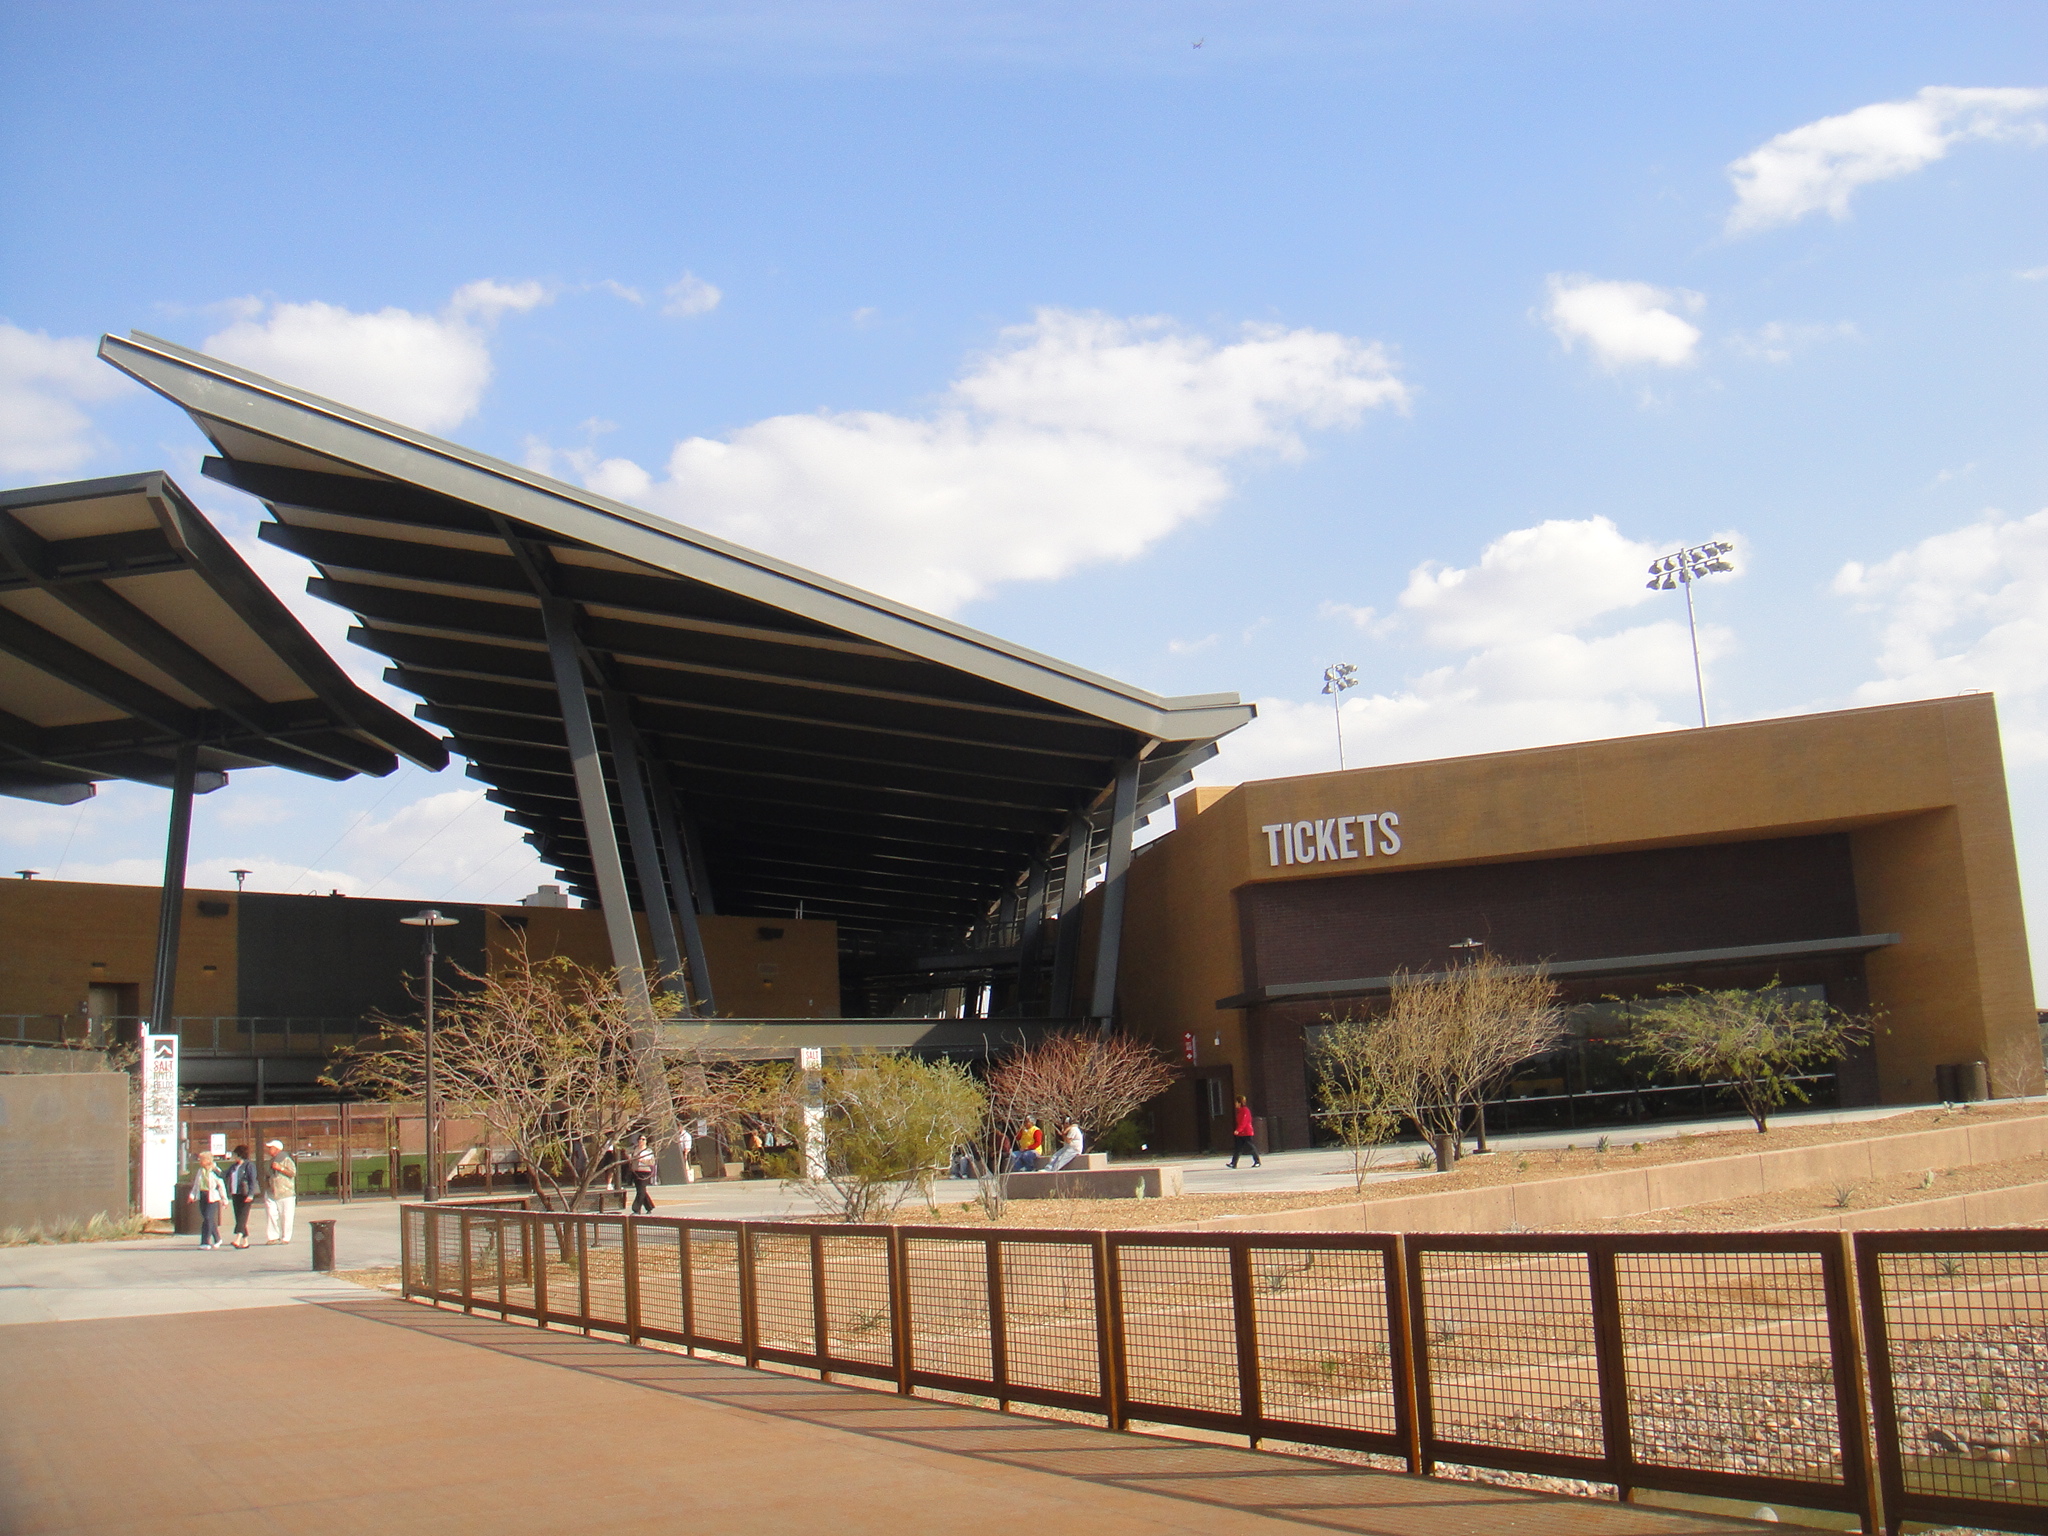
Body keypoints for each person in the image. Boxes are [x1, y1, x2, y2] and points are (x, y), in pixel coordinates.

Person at [186, 1151, 226, 1249]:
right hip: (203, 1196)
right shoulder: (200, 1171)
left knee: (208, 1218)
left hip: (212, 1197)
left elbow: (221, 1186)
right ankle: (217, 1238)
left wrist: (224, 1199)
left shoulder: (215, 1171)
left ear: (208, 1160)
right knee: (208, 1219)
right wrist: (192, 1195)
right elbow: (196, 1185)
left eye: (202, 1159)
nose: (200, 1161)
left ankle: (205, 1242)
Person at [262, 1138, 297, 1245]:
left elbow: (292, 1173)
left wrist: (280, 1168)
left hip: (285, 1192)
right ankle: (273, 1237)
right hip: (271, 1192)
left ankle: (286, 1237)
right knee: (271, 1214)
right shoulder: (270, 1161)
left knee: (286, 1215)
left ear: (277, 1149)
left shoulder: (286, 1159)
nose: (268, 1150)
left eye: (270, 1148)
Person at [225, 1144, 259, 1248]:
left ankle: (237, 1239)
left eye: (235, 1154)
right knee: (238, 1217)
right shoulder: (234, 1166)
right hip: (236, 1193)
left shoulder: (249, 1165)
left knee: (242, 1217)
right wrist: (214, 1168)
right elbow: (224, 1174)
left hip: (246, 1194)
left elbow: (252, 1180)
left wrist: (251, 1194)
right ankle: (245, 1241)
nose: (234, 1157)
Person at [627, 1133, 658, 1214]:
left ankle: (636, 1209)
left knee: (641, 1191)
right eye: (640, 1139)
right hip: (636, 1171)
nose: (641, 1141)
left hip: (645, 1171)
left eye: (643, 1139)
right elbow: (628, 1153)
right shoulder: (635, 1149)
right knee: (641, 1190)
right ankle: (649, 1207)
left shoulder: (648, 1151)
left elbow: (652, 1162)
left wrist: (642, 1160)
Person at [1228, 1096, 1262, 1169]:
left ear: (1240, 1103)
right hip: (1241, 1133)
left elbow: (1244, 1122)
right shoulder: (1239, 1111)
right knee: (1238, 1148)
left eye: (1236, 1102)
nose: (1235, 1104)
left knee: (1251, 1147)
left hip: (1246, 1132)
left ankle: (1257, 1162)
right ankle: (1233, 1163)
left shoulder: (1245, 1110)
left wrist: (1238, 1130)